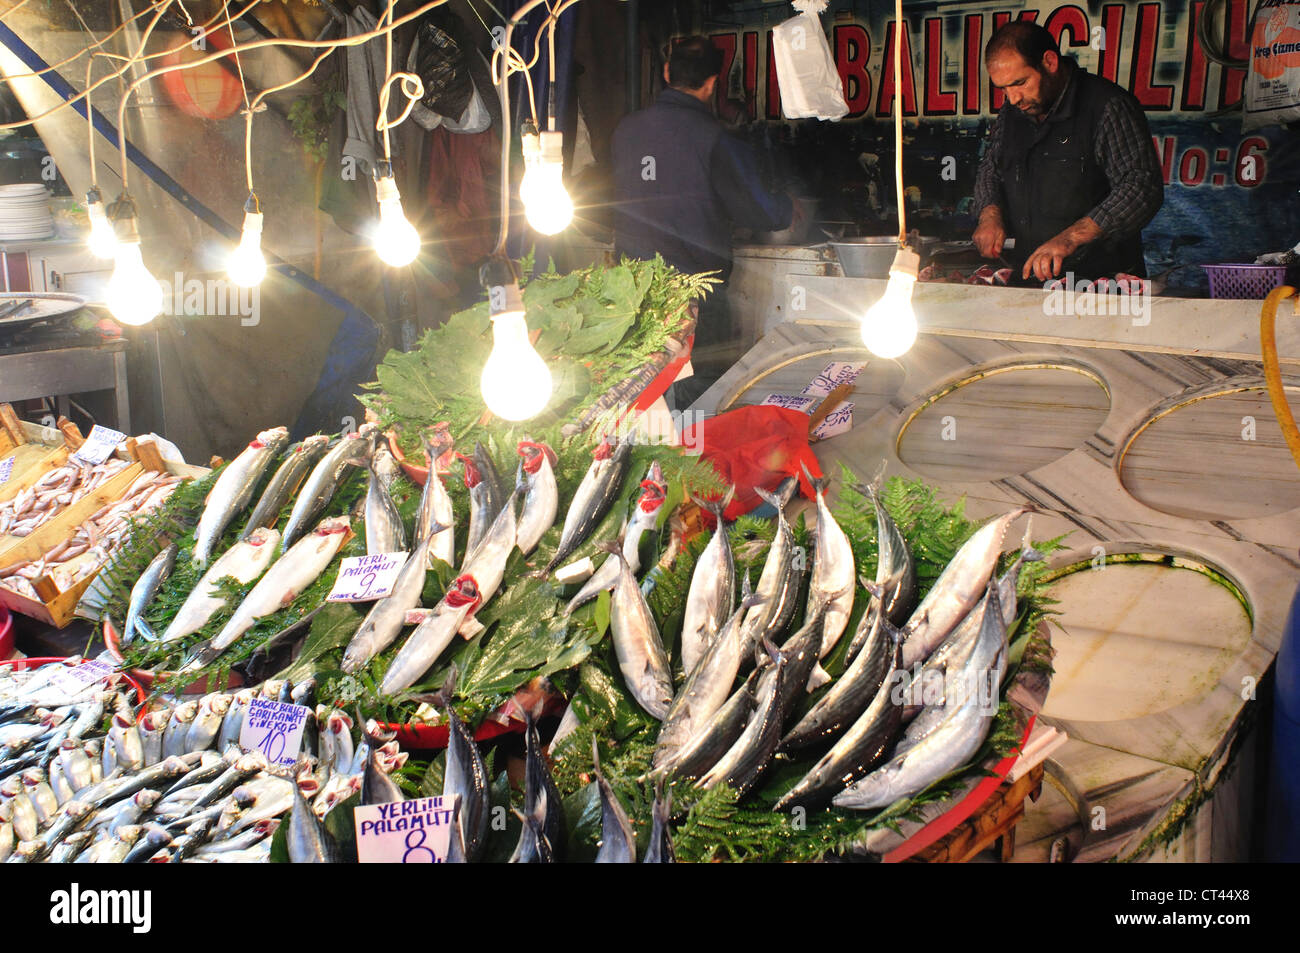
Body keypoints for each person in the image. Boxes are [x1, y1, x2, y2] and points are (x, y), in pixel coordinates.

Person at [612, 36, 796, 407]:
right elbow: (762, 212)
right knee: (696, 403)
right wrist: (790, 206)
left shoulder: (625, 131)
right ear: (713, 83)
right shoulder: (716, 139)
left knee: (638, 398)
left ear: (666, 72)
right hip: (695, 300)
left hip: (629, 295)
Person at [972, 22, 1164, 285]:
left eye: (1020, 83)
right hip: (1028, 280)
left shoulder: (1107, 106)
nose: (1013, 98)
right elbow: (991, 168)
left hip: (1099, 285)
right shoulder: (1012, 112)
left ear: (1049, 62)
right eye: (1003, 88)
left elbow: (1142, 187)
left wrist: (1070, 238)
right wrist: (989, 215)